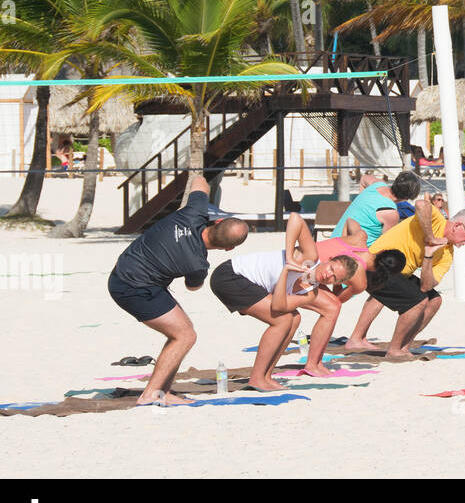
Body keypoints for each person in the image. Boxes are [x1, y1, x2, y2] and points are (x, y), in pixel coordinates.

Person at [107, 173, 249, 406]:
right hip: (135, 289)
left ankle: (163, 390)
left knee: (182, 333)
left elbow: (200, 181)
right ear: (228, 248)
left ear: (217, 222)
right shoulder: (198, 264)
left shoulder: (193, 213)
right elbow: (193, 287)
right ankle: (151, 394)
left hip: (124, 272)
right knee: (185, 335)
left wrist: (199, 176)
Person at [210, 214, 361, 389]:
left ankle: (266, 375)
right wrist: (289, 257)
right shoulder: (309, 257)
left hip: (246, 283)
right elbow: (296, 218)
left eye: (334, 278)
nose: (328, 275)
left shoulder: (310, 293)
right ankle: (257, 378)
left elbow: (279, 305)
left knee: (294, 318)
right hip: (230, 275)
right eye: (331, 269)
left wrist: (284, 273)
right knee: (282, 321)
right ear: (327, 261)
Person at [344, 194, 465, 356]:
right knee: (417, 301)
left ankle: (403, 346)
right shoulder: (437, 219)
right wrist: (430, 237)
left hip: (397, 272)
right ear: (457, 226)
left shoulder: (448, 253)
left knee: (434, 299)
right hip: (377, 261)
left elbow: (426, 285)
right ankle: (392, 349)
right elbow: (421, 204)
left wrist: (429, 255)